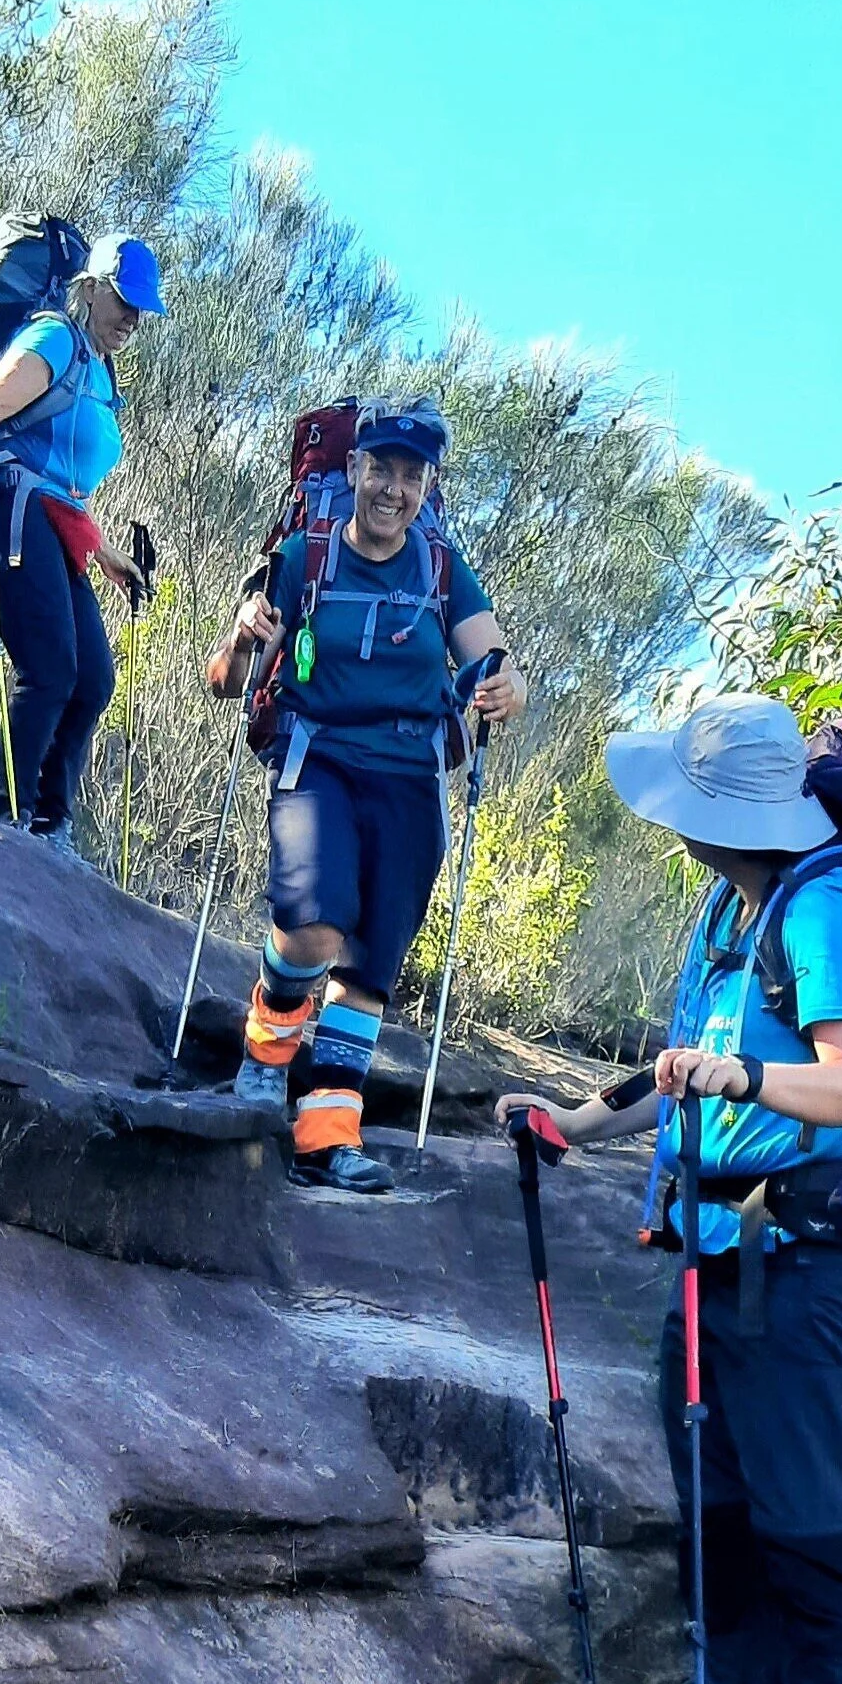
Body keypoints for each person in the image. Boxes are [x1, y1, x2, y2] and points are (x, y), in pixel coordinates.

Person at [497, 692, 842, 1684]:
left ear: (727, 815)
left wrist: (747, 1075)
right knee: (723, 1549)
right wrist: (568, 1128)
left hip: (823, 1283)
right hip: (726, 1273)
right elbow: (679, 1073)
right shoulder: (733, 909)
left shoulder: (830, 908)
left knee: (814, 1549)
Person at [223, 395, 527, 1195]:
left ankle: (328, 1135)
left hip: (408, 777)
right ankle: (265, 1050)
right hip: (316, 758)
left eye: (411, 475)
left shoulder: (440, 566)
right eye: (380, 469)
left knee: (367, 968)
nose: (394, 489)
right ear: (353, 469)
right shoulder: (303, 556)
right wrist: (243, 638)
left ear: (427, 486)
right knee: (313, 932)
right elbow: (226, 682)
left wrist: (506, 686)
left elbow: (490, 656)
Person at [0, 232, 166, 854]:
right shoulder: (56, 338)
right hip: (9, 509)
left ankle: (50, 825)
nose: (131, 319)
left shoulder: (100, 375)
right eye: (123, 301)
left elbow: (66, 485)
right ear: (92, 287)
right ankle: (4, 816)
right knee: (50, 667)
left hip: (54, 524)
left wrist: (106, 554)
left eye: (140, 310)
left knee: (93, 678)